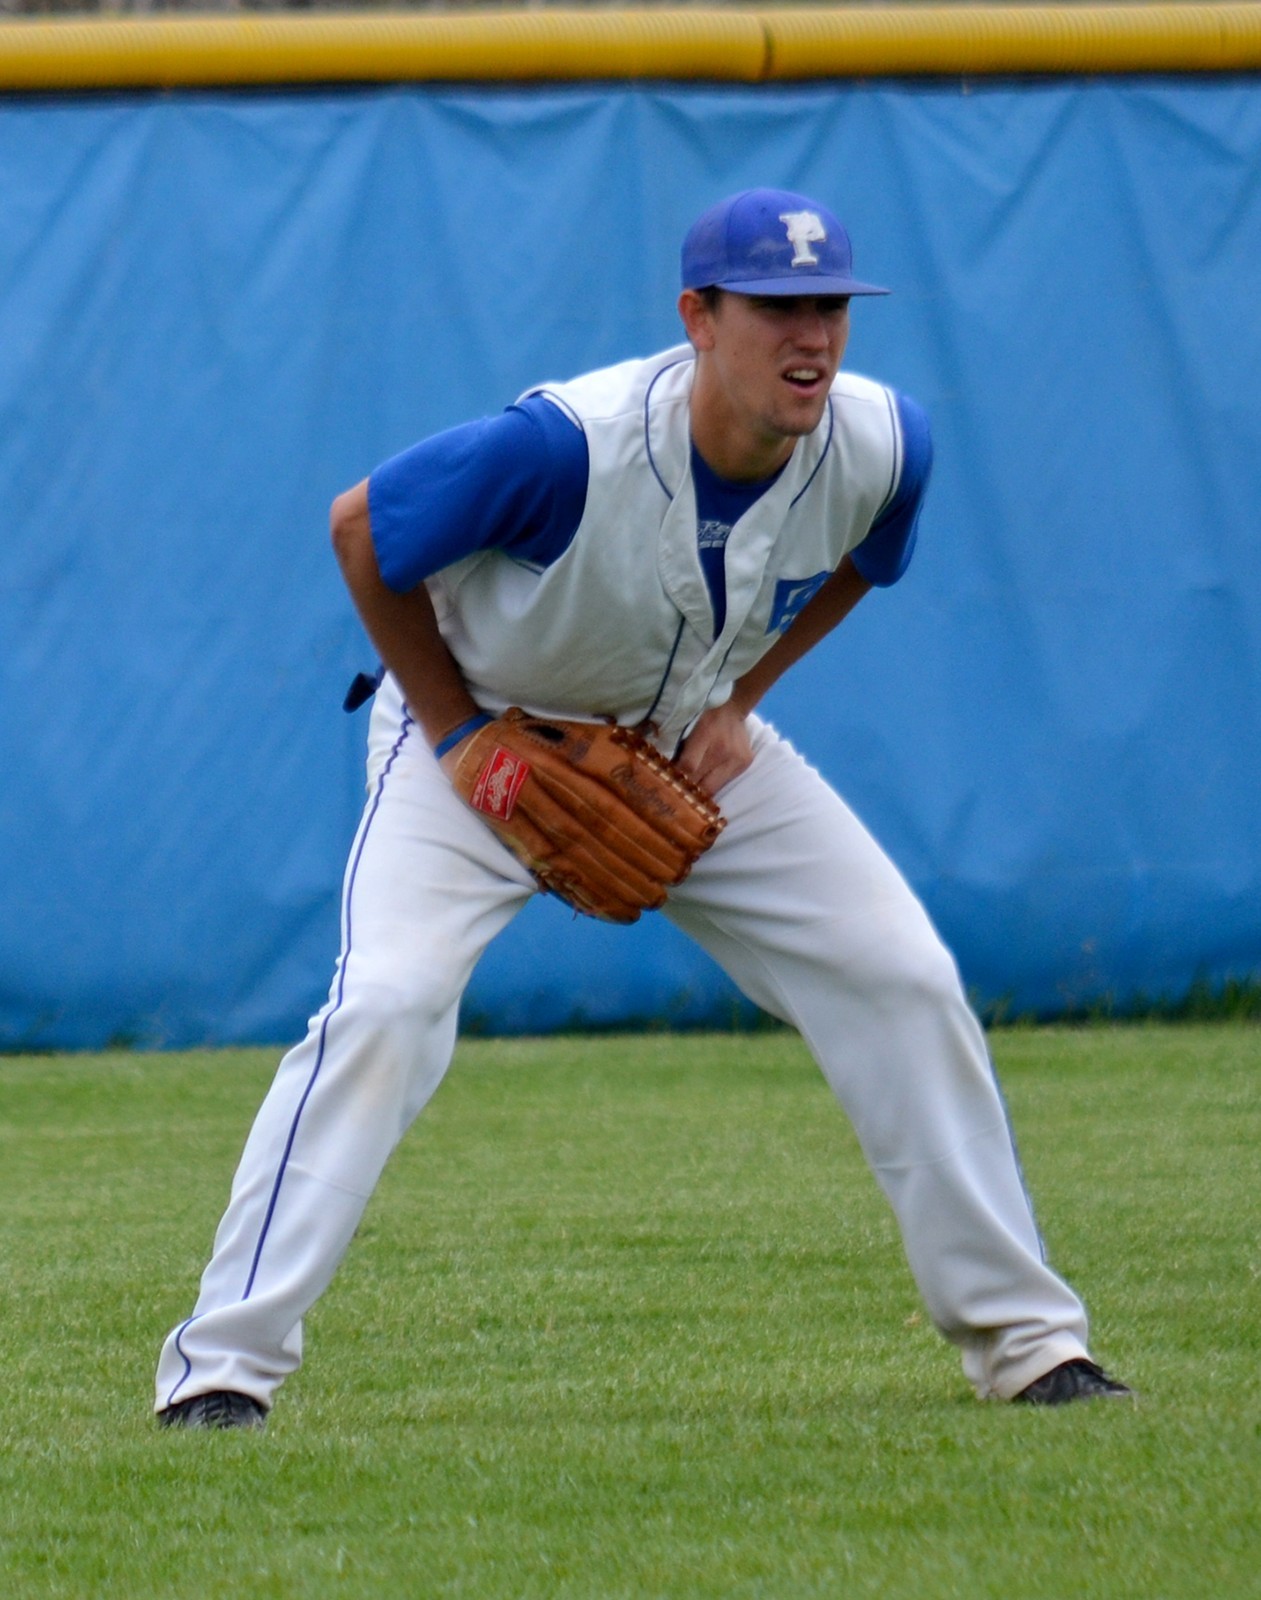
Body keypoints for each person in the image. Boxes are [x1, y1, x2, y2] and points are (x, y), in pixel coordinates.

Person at [155, 188, 1129, 1429]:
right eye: (774, 307)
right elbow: (361, 530)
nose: (810, 336)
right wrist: (457, 736)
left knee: (899, 973)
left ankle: (1032, 1345)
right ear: (698, 317)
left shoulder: (883, 442)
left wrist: (743, 699)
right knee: (387, 1007)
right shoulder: (566, 446)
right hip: (485, 726)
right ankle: (220, 1372)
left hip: (684, 738)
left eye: (828, 304)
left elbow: (863, 558)